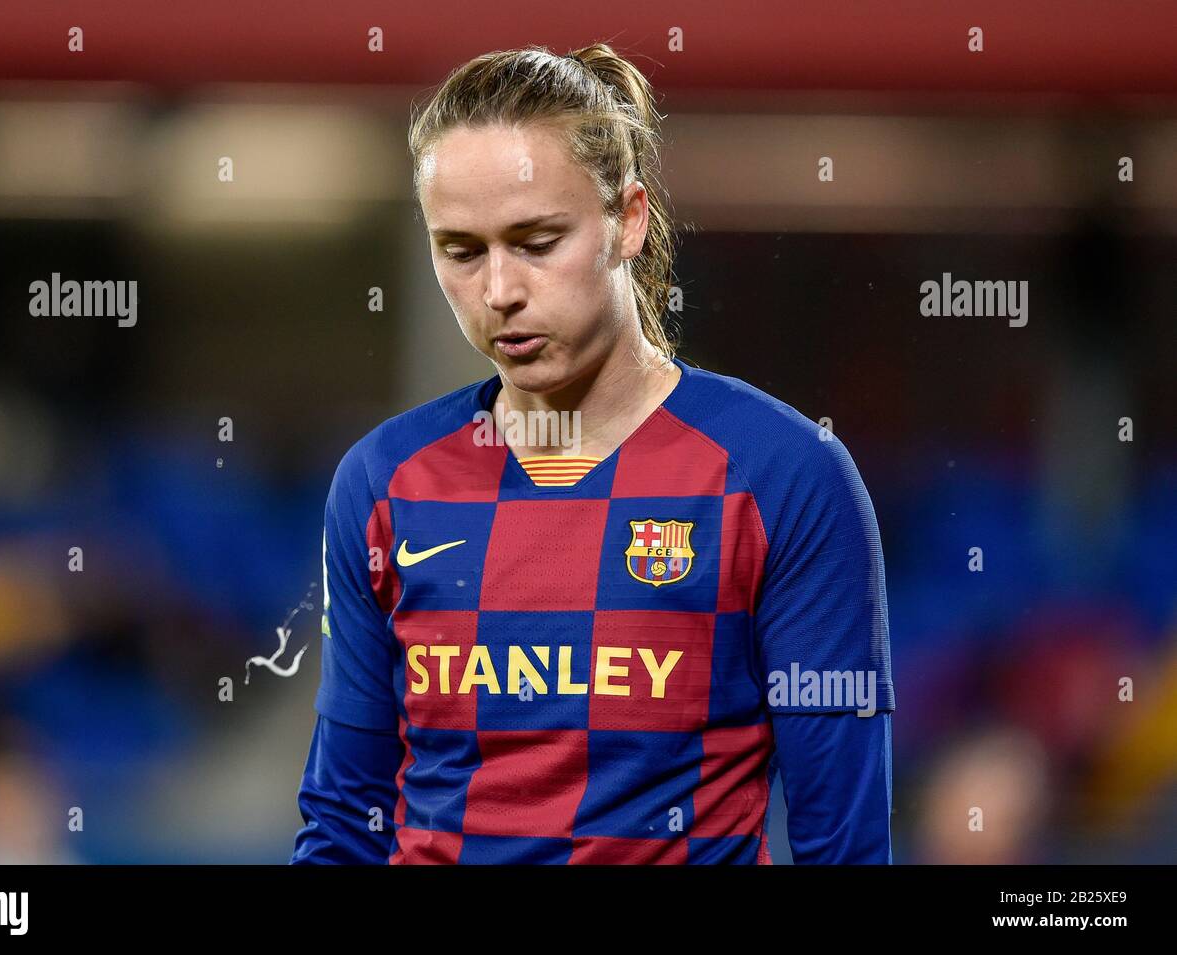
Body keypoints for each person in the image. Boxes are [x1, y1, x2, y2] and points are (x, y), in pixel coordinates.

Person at [291, 43, 894, 864]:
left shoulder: (782, 475)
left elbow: (844, 848)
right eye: (461, 250)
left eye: (537, 241)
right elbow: (341, 823)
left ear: (629, 219)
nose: (499, 289)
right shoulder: (383, 482)